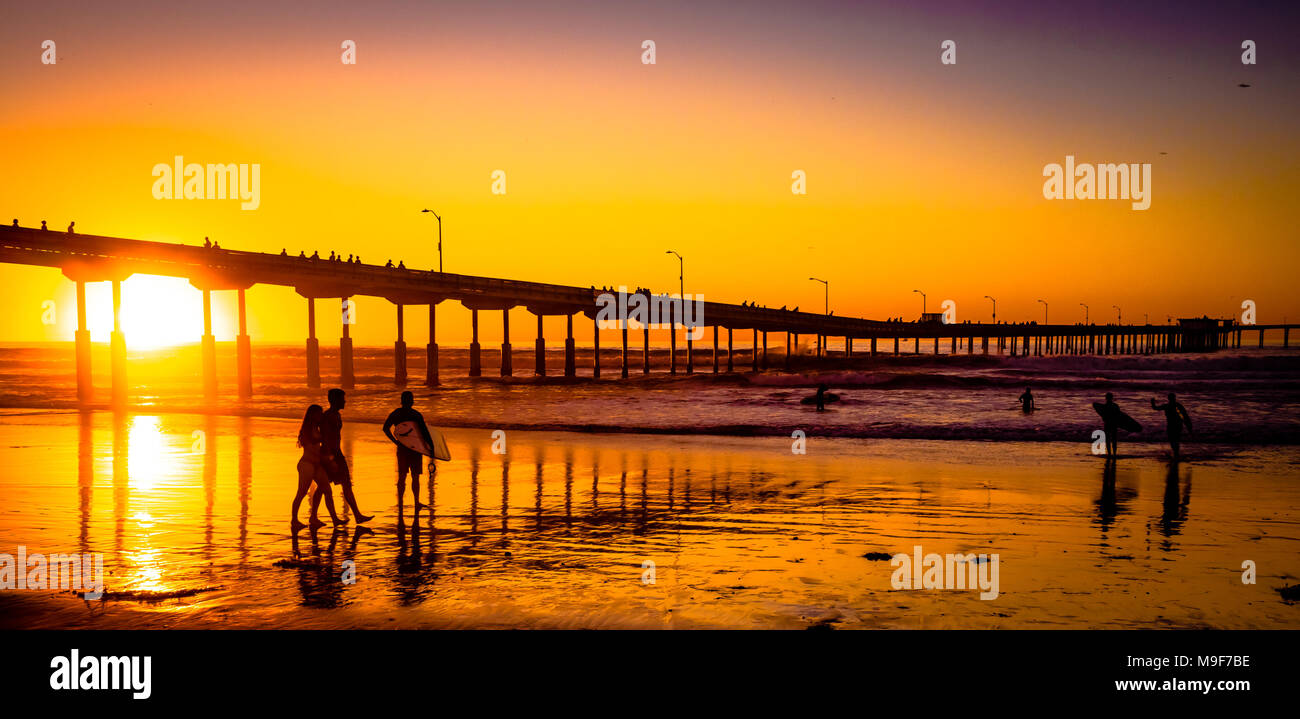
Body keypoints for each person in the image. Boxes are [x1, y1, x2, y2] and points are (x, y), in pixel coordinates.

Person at [315, 389, 372, 523]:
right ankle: (356, 515)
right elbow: (327, 439)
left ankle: (356, 515)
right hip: (332, 455)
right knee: (334, 485)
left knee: (328, 486)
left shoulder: (335, 415)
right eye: (342, 398)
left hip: (335, 453)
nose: (345, 401)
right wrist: (331, 460)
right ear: (335, 400)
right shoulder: (328, 417)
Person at [291, 404, 341, 529]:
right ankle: (294, 520)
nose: (321, 415)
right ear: (313, 414)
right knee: (301, 493)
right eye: (319, 413)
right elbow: (311, 449)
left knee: (327, 490)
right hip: (307, 464)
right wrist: (328, 460)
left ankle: (333, 519)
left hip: (316, 464)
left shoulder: (317, 428)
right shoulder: (306, 429)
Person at [383, 391, 435, 509]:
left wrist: (395, 441)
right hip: (415, 448)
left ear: (402, 401)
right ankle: (416, 502)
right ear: (411, 401)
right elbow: (425, 433)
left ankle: (400, 502)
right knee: (415, 476)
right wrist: (431, 447)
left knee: (402, 476)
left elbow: (385, 428)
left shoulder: (396, 413)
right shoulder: (416, 414)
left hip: (402, 448)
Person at [1151, 392, 1192, 458]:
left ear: (1169, 398)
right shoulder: (1174, 406)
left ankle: (1176, 454)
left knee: (1173, 440)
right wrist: (1188, 426)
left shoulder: (1171, 406)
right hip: (1176, 425)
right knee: (1174, 440)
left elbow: (1155, 408)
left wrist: (1152, 403)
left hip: (1174, 425)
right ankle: (1176, 453)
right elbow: (1185, 416)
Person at [1097, 392, 1121, 457]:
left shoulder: (1104, 407)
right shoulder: (1116, 406)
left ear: (1106, 398)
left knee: (1108, 440)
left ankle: (1110, 454)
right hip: (1113, 424)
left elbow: (1103, 416)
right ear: (1112, 398)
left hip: (1108, 424)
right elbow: (1119, 416)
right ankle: (1114, 454)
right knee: (1113, 440)